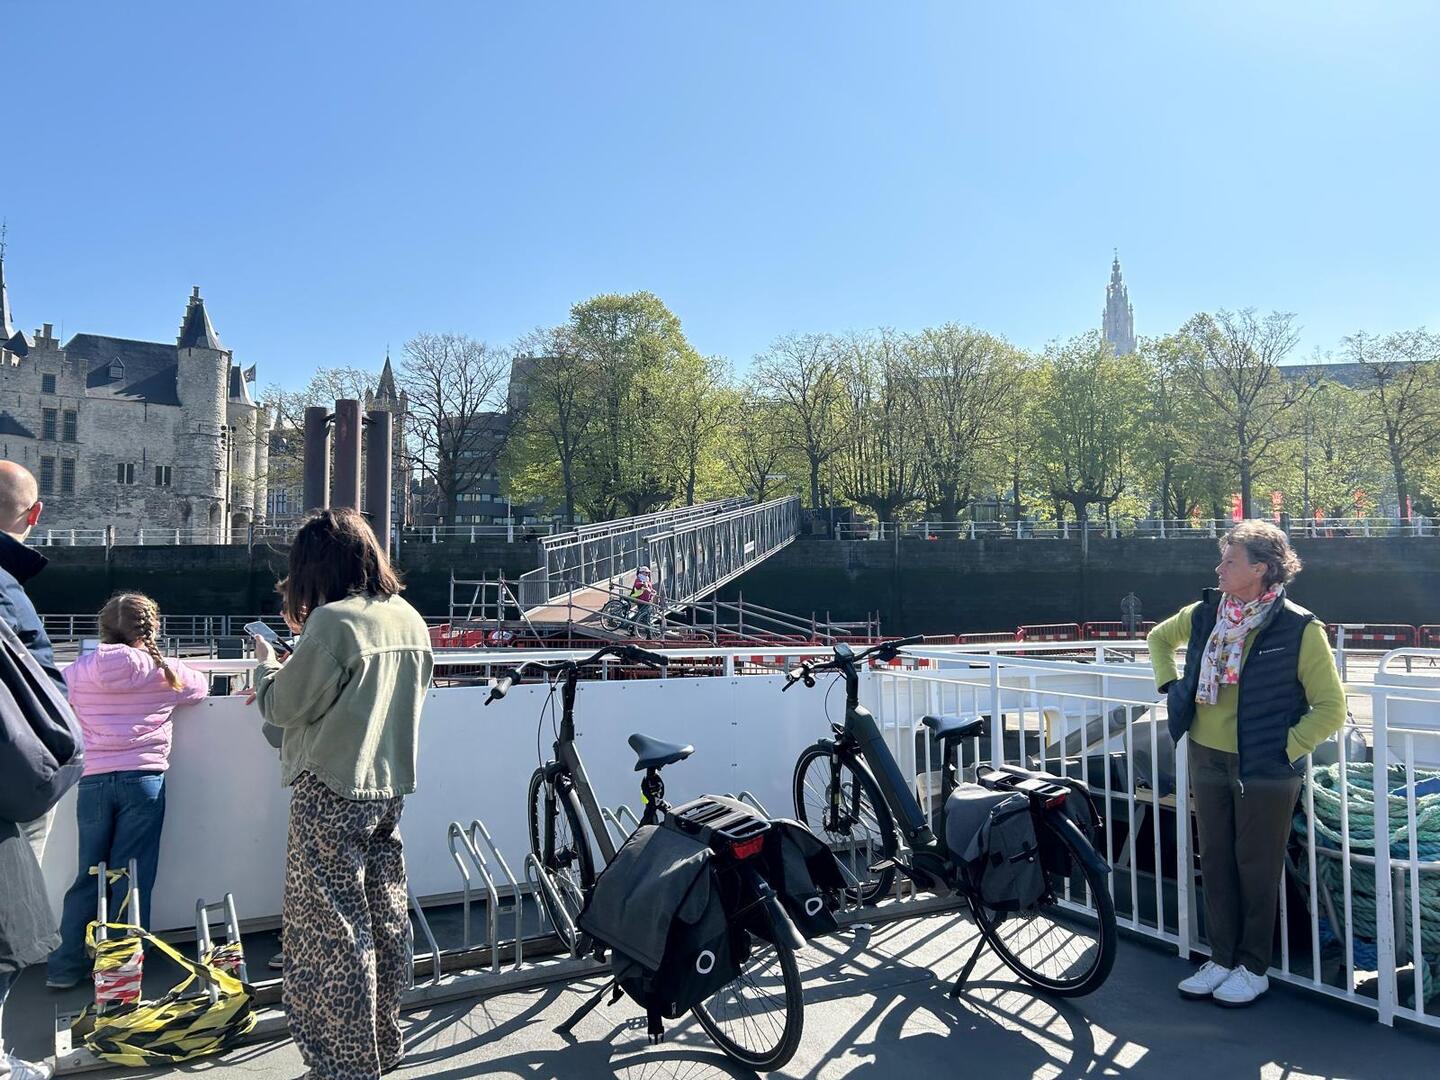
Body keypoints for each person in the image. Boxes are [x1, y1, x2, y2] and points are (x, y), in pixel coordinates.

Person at [253, 508, 433, 1079]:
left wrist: (265, 670)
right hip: (388, 787)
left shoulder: (332, 623)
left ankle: (342, 1065)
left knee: (329, 933)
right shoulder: (408, 617)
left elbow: (284, 707)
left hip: (329, 790)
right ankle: (383, 1044)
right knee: (384, 916)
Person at [1148, 520, 1345, 1007]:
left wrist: (1287, 748)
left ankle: (1253, 967)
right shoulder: (1204, 614)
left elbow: (1331, 707)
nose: (1218, 568)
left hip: (1266, 765)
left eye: (1229, 561)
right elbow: (1157, 639)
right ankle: (1221, 957)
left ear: (1260, 568)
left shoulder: (1299, 627)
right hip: (1206, 753)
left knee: (1256, 867)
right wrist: (1171, 689)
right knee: (1214, 860)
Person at [45, 594, 209, 990]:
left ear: (102, 628)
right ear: (150, 630)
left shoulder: (79, 670)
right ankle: (120, 971)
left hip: (94, 779)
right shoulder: (164, 671)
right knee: (132, 875)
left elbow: (59, 699)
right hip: (144, 780)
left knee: (89, 872)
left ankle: (66, 965)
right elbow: (199, 688)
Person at [0, 460, 75, 1080]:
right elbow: (34, 688)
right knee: (6, 919)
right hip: (13, 783)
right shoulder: (6, 584)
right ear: (36, 515)